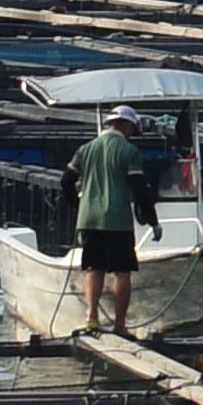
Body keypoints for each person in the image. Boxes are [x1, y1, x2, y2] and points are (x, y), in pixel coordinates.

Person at [66, 106, 153, 327]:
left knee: (94, 268)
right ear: (125, 125)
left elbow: (66, 181)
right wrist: (153, 220)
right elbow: (139, 188)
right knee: (122, 272)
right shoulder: (129, 152)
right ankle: (120, 325)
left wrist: (79, 206)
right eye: (132, 129)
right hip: (118, 220)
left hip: (89, 219)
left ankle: (92, 318)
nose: (132, 134)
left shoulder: (85, 149)